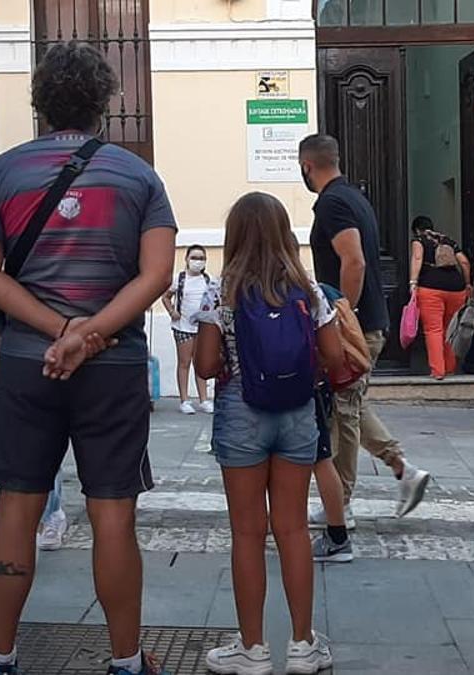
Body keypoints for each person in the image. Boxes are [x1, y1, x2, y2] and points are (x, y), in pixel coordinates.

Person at [0, 41, 176, 675]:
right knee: (113, 513)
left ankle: (0, 659)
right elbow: (158, 274)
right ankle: (126, 661)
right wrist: (88, 333)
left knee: (17, 507)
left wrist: (57, 329)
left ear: (38, 104)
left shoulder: (2, 172)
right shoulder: (139, 177)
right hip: (111, 367)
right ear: (104, 103)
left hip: (28, 363)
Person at [194, 192, 339, 675]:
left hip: (241, 410)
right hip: (297, 411)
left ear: (234, 235)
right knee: (294, 528)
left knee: (247, 533)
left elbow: (206, 363)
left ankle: (252, 648)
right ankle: (302, 645)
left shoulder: (222, 291)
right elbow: (335, 358)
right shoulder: (310, 290)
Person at [298, 134, 431, 529]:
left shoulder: (333, 203)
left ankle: (342, 505)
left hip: (357, 325)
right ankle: (403, 469)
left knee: (342, 414)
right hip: (372, 321)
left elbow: (352, 262)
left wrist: (341, 316)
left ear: (307, 165)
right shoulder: (354, 197)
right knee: (351, 401)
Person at [407, 216, 472, 380]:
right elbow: (464, 262)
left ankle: (438, 371)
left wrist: (413, 282)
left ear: (416, 229)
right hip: (456, 288)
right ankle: (450, 368)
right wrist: (467, 283)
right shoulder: (448, 240)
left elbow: (417, 258)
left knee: (433, 329)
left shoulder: (419, 240)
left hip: (430, 288)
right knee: (450, 329)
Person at [161, 244, 214, 415]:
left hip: (203, 327)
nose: (198, 261)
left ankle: (204, 399)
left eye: (201, 258)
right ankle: (184, 400)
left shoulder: (208, 280)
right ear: (187, 259)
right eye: (194, 257)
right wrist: (172, 312)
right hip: (183, 327)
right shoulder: (180, 279)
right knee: (184, 363)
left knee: (202, 363)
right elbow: (166, 297)